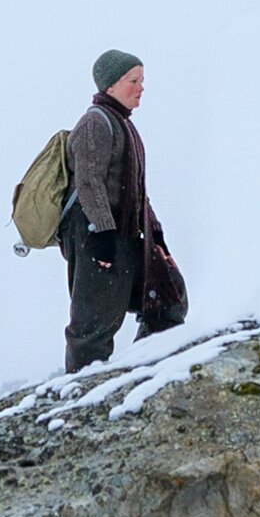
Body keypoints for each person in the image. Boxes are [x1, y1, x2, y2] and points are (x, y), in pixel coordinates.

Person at [58, 50, 184, 373]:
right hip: (97, 238)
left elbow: (138, 191)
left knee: (169, 298)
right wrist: (102, 234)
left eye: (142, 80)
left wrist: (156, 236)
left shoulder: (125, 127)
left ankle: (139, 375)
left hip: (128, 235)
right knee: (92, 330)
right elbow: (88, 182)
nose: (141, 87)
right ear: (111, 85)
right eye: (134, 80)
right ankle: (81, 400)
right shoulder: (94, 123)